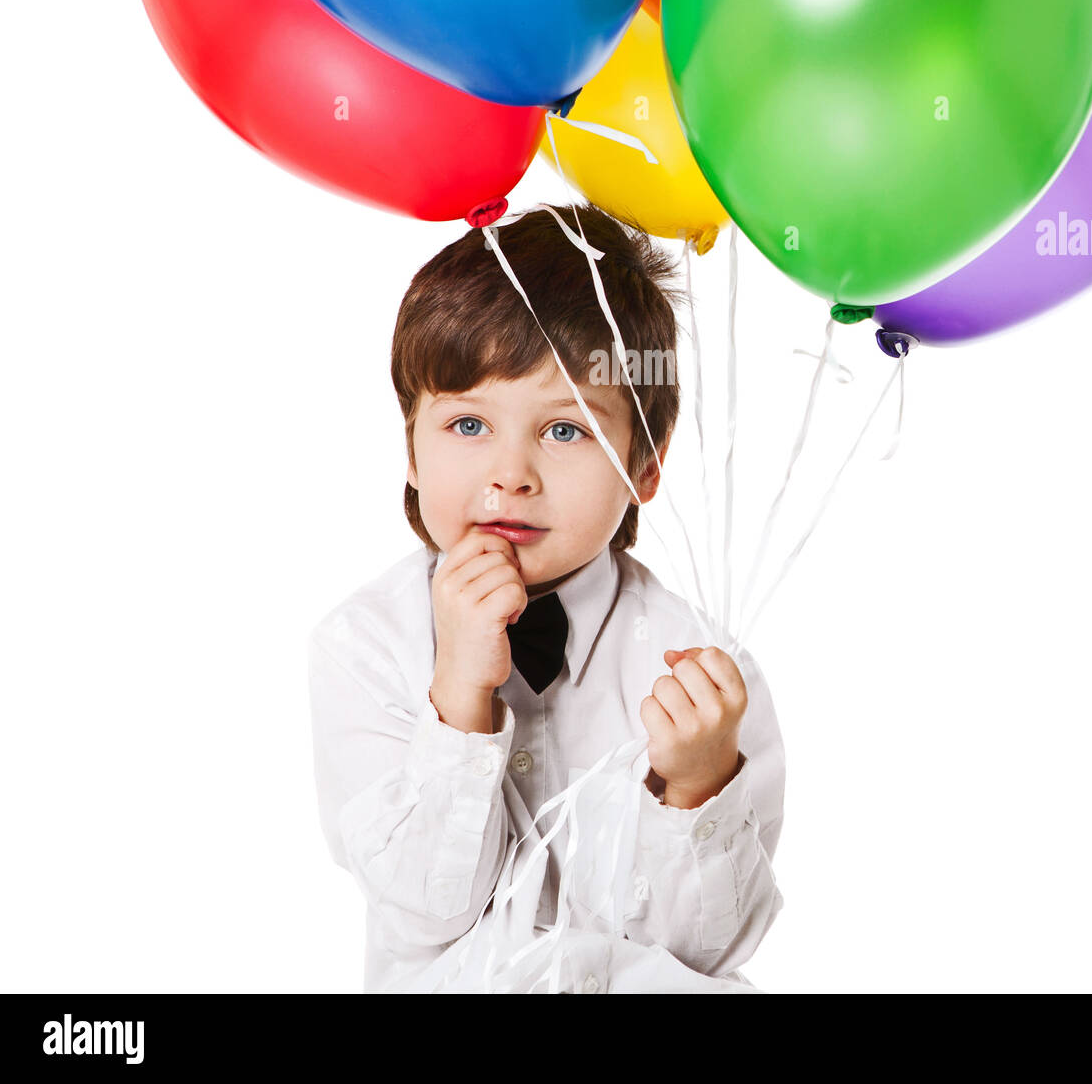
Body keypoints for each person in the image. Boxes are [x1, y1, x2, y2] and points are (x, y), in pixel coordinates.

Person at [307, 203, 786, 993]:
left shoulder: (704, 676)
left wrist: (696, 786)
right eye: (467, 424)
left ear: (645, 464)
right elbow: (427, 912)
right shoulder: (362, 647)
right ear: (412, 454)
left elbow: (712, 950)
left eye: (564, 432)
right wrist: (460, 693)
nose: (511, 473)